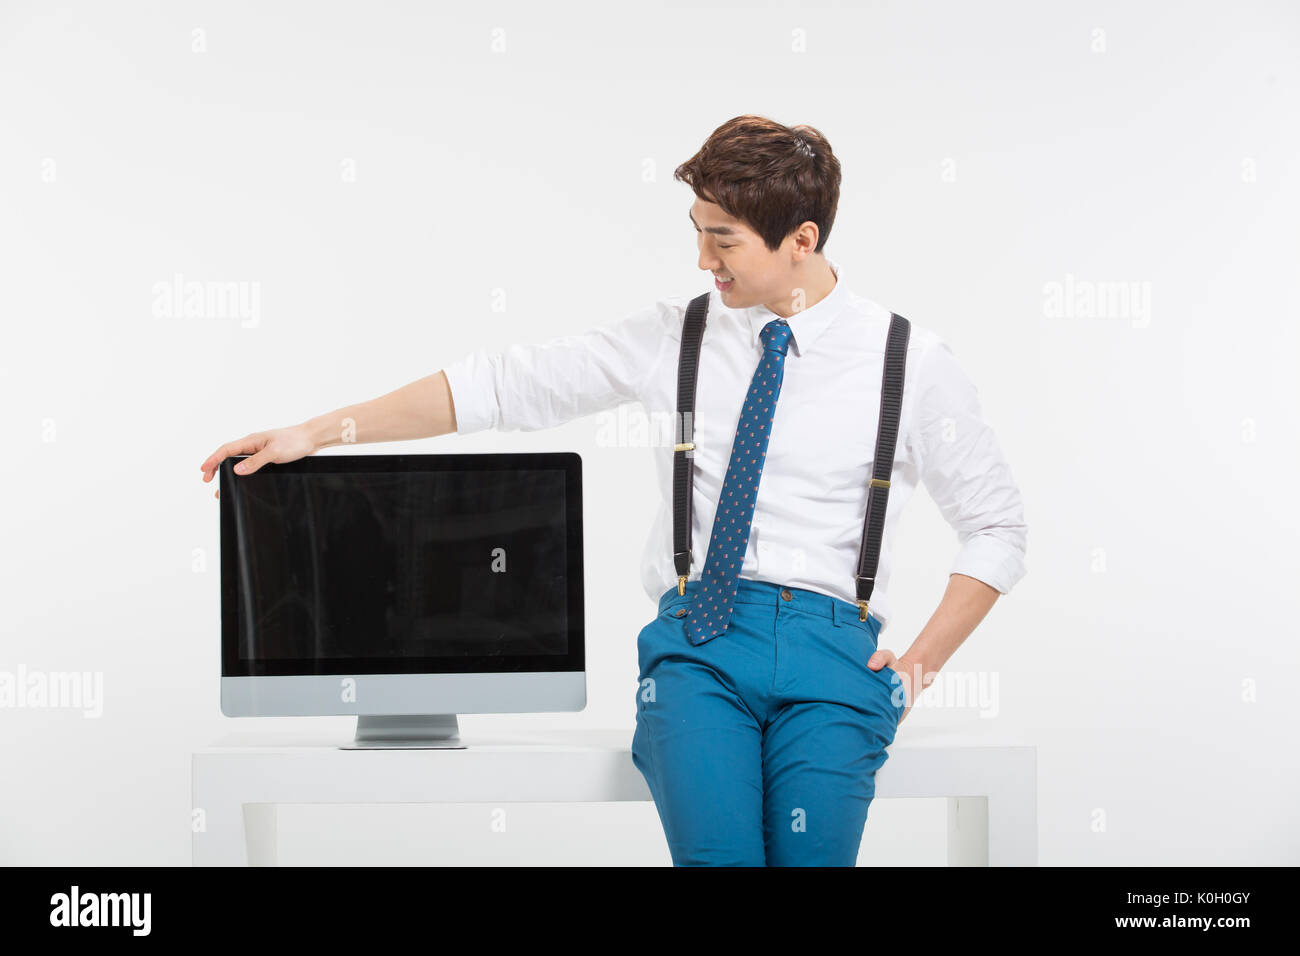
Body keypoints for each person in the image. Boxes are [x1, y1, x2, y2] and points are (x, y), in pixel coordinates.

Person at [199, 115, 1028, 867]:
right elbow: (501, 388)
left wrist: (912, 673)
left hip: (835, 655)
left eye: (724, 240)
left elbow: (996, 527)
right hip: (701, 650)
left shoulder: (910, 363)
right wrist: (316, 432)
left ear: (801, 240)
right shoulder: (676, 335)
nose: (703, 260)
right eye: (698, 233)